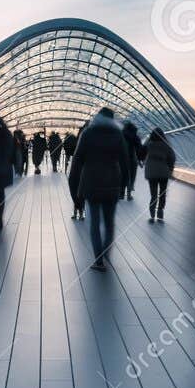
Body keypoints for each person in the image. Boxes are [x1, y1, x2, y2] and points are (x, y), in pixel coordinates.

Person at [69, 108, 132, 271]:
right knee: (109, 222)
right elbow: (125, 161)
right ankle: (106, 252)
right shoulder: (117, 134)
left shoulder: (88, 133)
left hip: (91, 183)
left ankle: (99, 260)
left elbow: (77, 160)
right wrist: (124, 186)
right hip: (112, 183)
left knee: (95, 222)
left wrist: (74, 186)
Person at [141, 127, 175, 222]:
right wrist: (170, 169)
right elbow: (172, 158)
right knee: (162, 193)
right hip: (164, 172)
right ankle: (160, 212)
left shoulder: (149, 144)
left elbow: (141, 153)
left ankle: (152, 213)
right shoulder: (167, 145)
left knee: (154, 194)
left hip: (151, 173)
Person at [120, 121, 143, 200]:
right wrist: (140, 159)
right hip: (132, 159)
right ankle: (129, 195)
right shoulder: (135, 137)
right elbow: (139, 149)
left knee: (123, 175)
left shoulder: (121, 135)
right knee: (131, 176)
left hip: (122, 159)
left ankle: (121, 194)